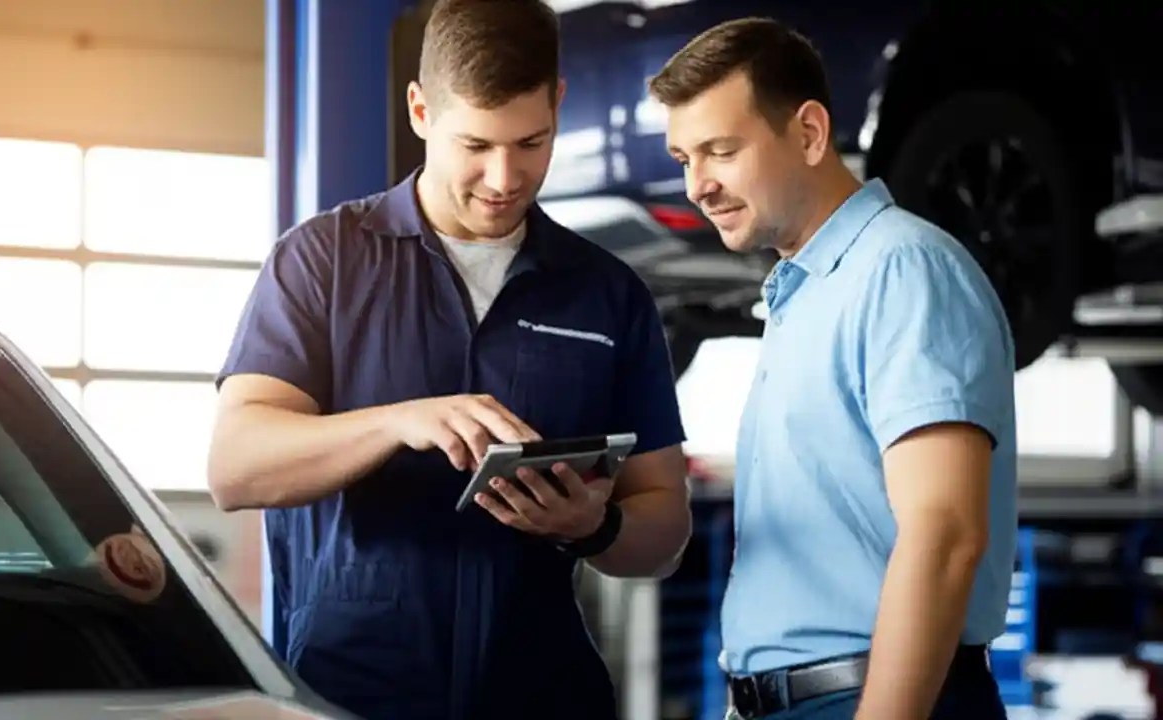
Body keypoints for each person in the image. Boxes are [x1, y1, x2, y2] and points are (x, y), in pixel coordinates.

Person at [207, 1, 691, 718]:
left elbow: (665, 526)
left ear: (557, 103)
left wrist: (595, 526)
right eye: (476, 145)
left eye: (531, 142)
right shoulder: (323, 261)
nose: (504, 177)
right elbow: (236, 467)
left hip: (542, 696)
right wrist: (396, 423)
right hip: (352, 695)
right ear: (420, 111)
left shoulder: (606, 294)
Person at [647, 17, 1018, 720]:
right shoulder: (808, 292)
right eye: (683, 158)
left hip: (872, 697)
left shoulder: (901, 270)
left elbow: (945, 533)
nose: (697, 185)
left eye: (721, 151)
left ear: (811, 134)